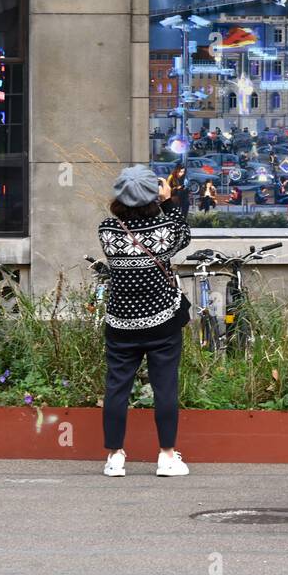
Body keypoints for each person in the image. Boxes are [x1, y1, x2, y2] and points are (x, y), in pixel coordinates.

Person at [98, 167, 193, 478]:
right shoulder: (165, 228)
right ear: (155, 193)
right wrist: (168, 200)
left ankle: (115, 456)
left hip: (121, 323)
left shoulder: (108, 231)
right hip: (162, 322)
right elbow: (183, 236)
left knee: (117, 388)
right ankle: (166, 455)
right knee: (164, 387)